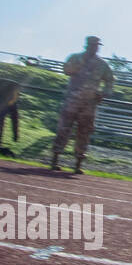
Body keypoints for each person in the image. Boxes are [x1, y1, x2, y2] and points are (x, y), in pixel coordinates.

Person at [50, 36, 114, 174]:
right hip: (72, 102)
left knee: (84, 133)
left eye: (97, 45)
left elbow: (110, 80)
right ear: (87, 45)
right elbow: (66, 70)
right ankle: (55, 160)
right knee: (63, 130)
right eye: (92, 45)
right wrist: (79, 64)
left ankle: (78, 164)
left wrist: (103, 93)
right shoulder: (75, 57)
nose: (95, 47)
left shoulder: (102, 64)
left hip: (89, 105)